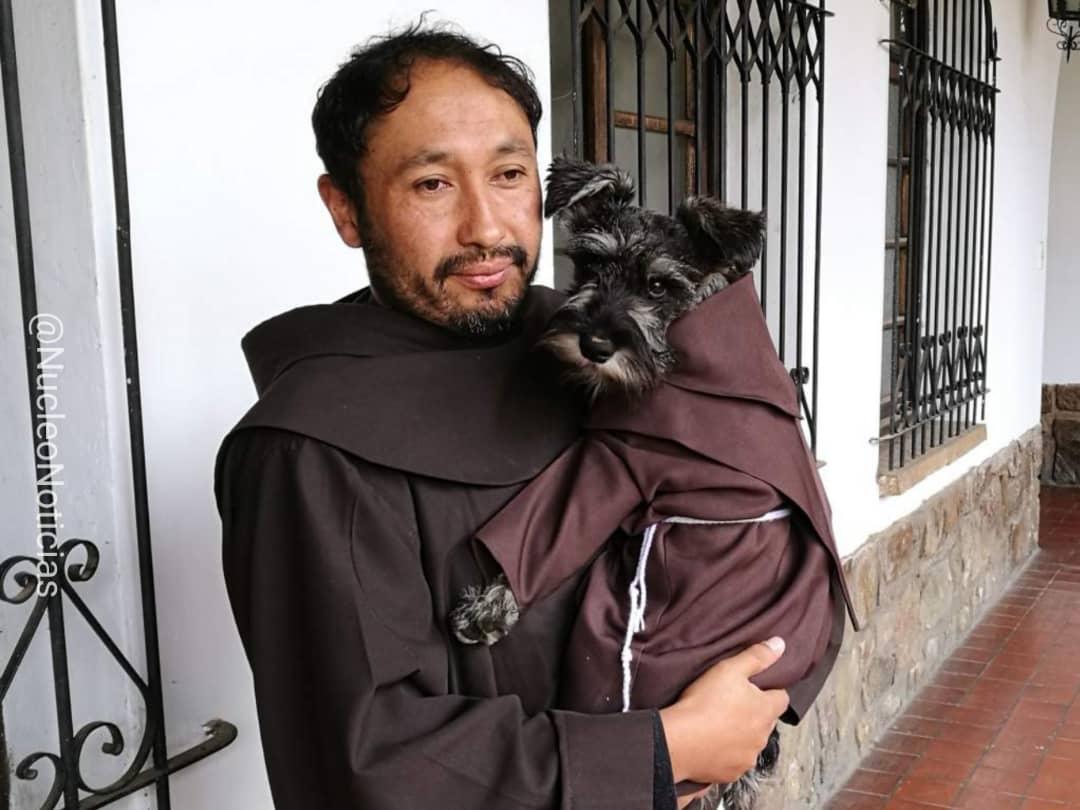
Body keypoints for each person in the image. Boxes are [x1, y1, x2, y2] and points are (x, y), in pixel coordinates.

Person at [214, 21, 790, 810]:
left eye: (510, 174)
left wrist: (758, 692)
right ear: (346, 210)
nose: (486, 228)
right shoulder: (309, 452)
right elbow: (364, 760)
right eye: (432, 184)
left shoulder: (587, 352)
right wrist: (664, 750)